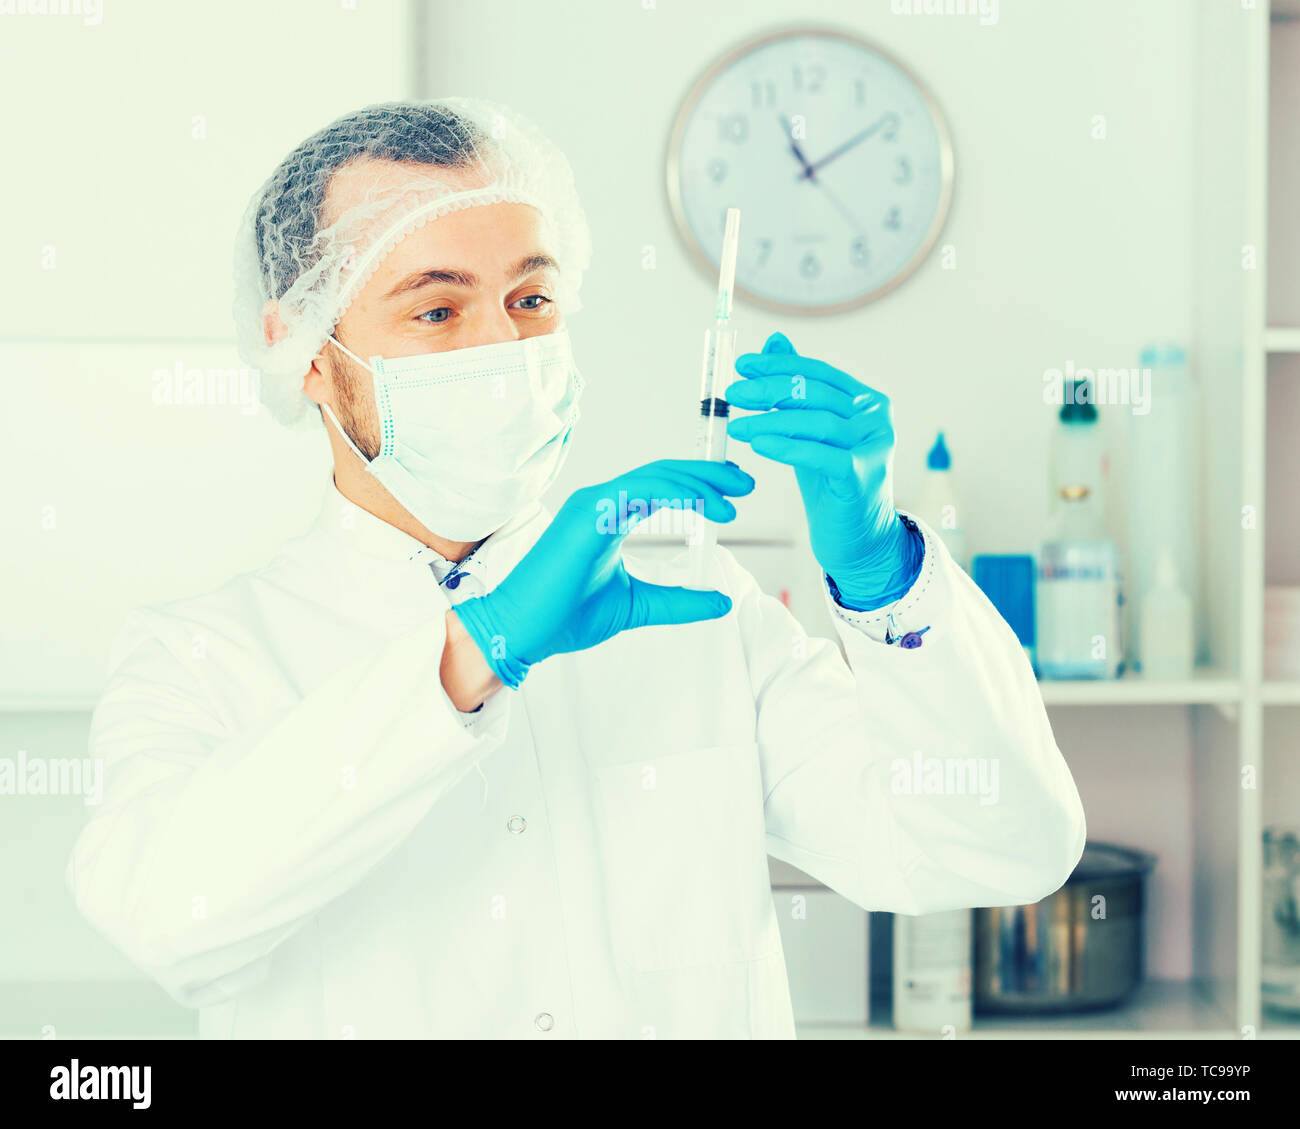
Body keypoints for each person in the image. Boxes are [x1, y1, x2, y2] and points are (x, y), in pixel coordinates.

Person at [66, 98, 1085, 1039]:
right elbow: (171, 918)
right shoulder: (204, 654)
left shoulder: (693, 604)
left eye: (531, 296)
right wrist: (477, 655)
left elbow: (996, 847)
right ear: (304, 350)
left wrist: (880, 577)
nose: (503, 344)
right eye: (436, 311)